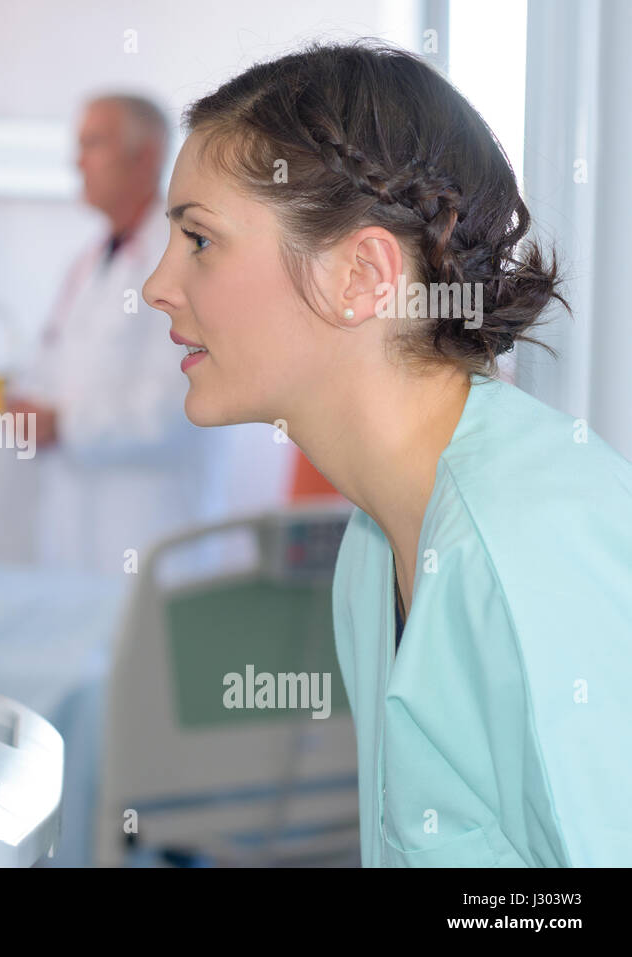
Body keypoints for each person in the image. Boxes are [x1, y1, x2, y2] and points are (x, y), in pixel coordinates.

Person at [143, 41, 632, 866]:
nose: (158, 283)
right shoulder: (380, 546)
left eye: (198, 239)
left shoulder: (525, 544)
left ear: (362, 275)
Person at [8, 94, 252, 575]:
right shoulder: (85, 264)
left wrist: (64, 424)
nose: (76, 161)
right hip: (74, 535)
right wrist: (25, 401)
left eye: (93, 144)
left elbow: (181, 403)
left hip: (152, 533)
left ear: (145, 156)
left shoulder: (191, 257)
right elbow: (54, 362)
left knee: (144, 643)